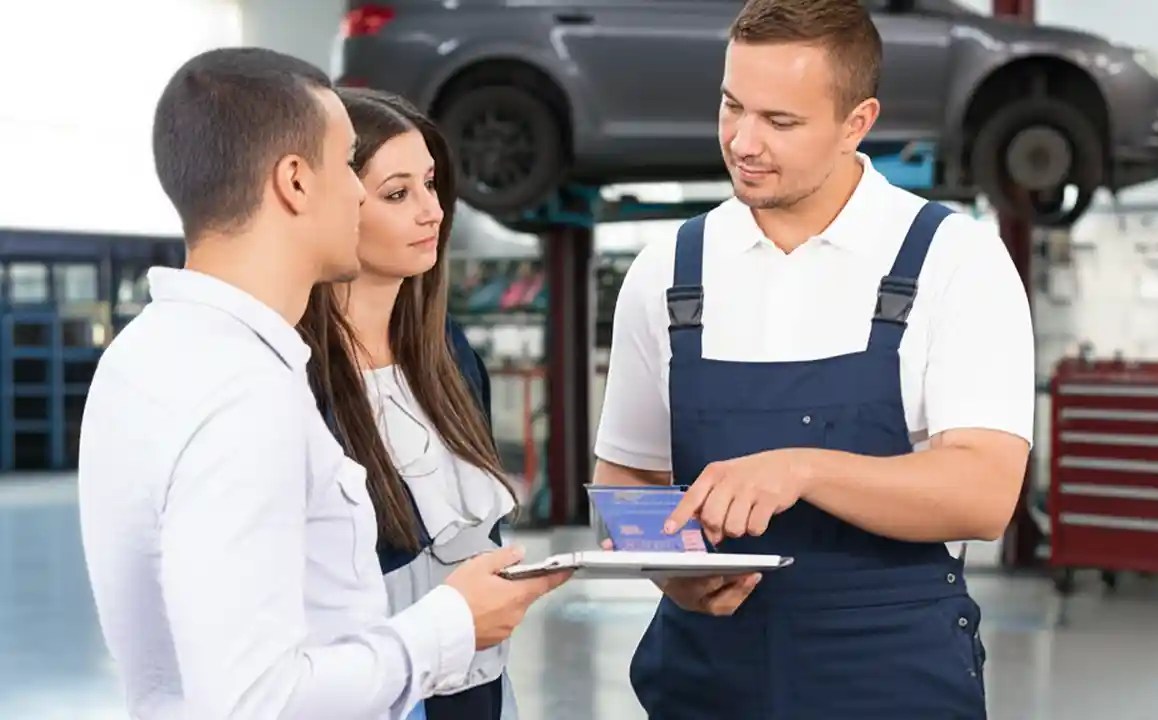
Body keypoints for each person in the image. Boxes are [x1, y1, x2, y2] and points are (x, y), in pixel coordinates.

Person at [77, 47, 568, 720]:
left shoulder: (150, 355)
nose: (361, 194)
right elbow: (257, 701)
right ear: (295, 182)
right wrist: (452, 623)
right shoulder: (243, 393)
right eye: (347, 165)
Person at [592, 1, 1034, 717]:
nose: (743, 141)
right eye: (732, 106)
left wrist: (801, 468)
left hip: (892, 678)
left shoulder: (954, 261)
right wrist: (670, 574)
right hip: (706, 679)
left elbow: (984, 493)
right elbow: (625, 476)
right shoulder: (669, 270)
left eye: (781, 121)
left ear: (857, 122)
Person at [297, 87, 524, 720]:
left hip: (479, 685)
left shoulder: (450, 353)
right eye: (399, 194)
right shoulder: (291, 377)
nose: (432, 212)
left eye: (431, 185)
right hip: (367, 692)